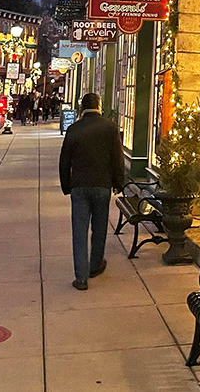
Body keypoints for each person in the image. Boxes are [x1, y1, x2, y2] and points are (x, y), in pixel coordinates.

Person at [59, 92, 124, 290]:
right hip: (102, 185)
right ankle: (96, 265)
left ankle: (81, 277)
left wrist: (66, 185)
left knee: (79, 231)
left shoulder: (74, 129)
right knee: (100, 227)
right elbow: (118, 158)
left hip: (79, 186)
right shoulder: (110, 128)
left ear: (82, 108)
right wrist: (118, 182)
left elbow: (64, 161)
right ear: (99, 105)